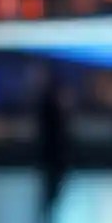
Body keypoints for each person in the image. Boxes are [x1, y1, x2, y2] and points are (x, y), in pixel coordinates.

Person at [36, 69, 69, 213]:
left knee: (50, 183)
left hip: (50, 152)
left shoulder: (47, 104)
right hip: (54, 153)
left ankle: (49, 206)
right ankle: (51, 205)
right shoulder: (53, 105)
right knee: (52, 183)